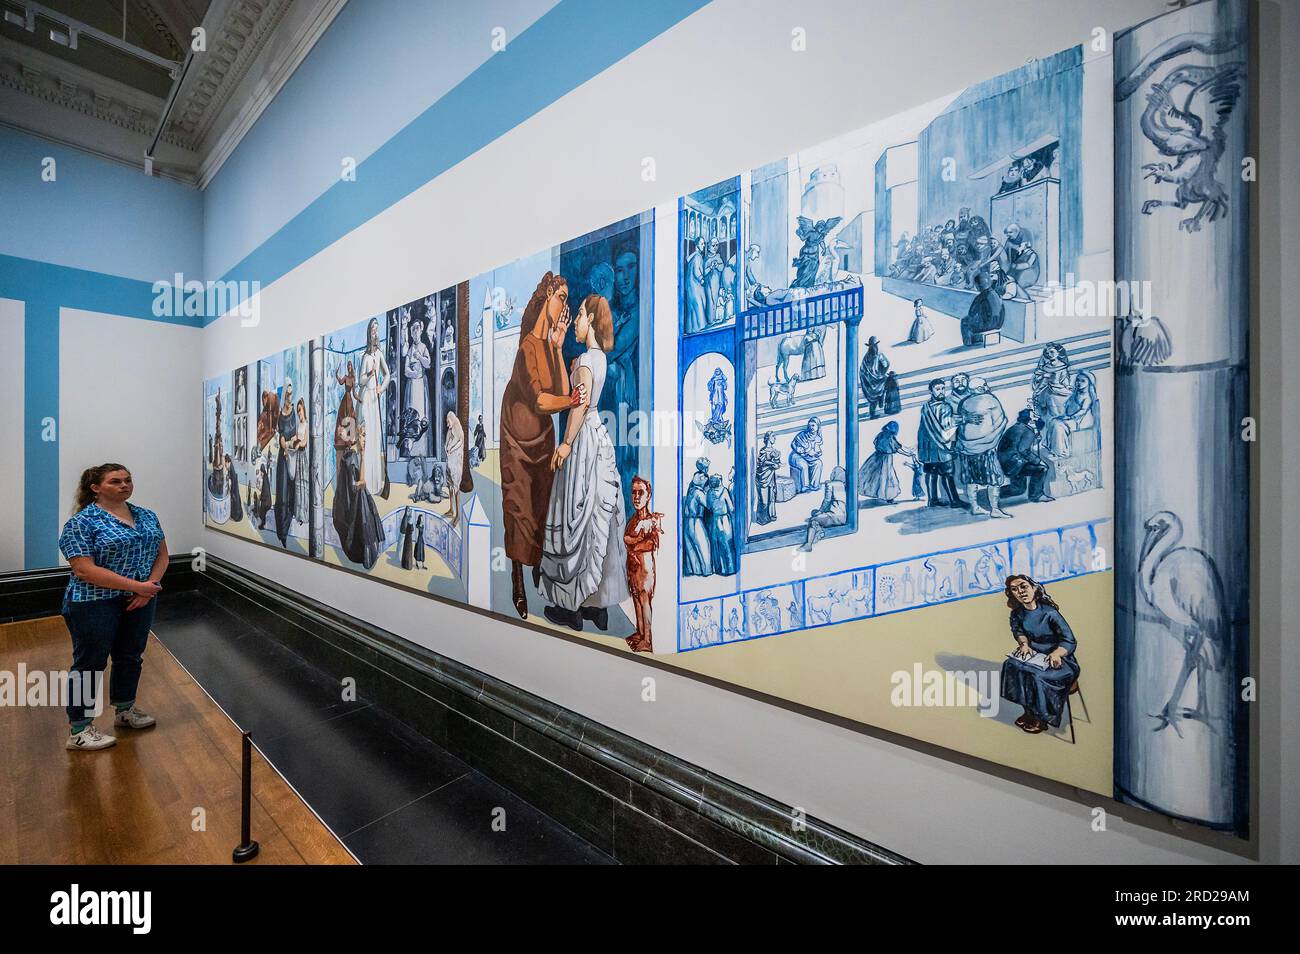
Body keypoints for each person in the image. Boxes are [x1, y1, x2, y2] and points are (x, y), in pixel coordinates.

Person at [58, 463, 168, 751]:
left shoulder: (146, 515)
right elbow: (84, 570)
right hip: (93, 602)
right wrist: (138, 588)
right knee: (89, 663)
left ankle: (125, 710)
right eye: (115, 481)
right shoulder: (82, 523)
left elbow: (162, 555)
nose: (124, 485)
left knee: (130, 655)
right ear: (95, 488)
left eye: (128, 480)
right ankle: (79, 729)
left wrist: (150, 587)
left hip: (140, 598)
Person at [538, 294, 628, 632]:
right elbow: (570, 387)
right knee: (593, 518)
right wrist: (558, 348)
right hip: (596, 436)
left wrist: (564, 444)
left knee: (574, 513)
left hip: (582, 438)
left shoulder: (587, 362)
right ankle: (595, 604)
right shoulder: (597, 358)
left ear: (590, 319)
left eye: (578, 315)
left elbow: (578, 404)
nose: (574, 320)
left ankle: (571, 607)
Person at [499, 272, 583, 619]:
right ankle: (518, 581)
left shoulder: (548, 345)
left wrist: (560, 348)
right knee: (519, 511)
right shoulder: (525, 350)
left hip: (543, 441)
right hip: (517, 441)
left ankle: (535, 568)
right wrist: (571, 401)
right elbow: (541, 401)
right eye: (561, 297)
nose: (565, 305)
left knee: (540, 509)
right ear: (546, 299)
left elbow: (561, 387)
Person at [999, 575, 1080, 734]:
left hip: (1060, 658)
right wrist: (1024, 644)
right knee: (1011, 666)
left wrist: (1057, 653)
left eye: (1023, 587)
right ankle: (1028, 711)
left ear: (1034, 588)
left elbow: (1069, 640)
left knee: (1036, 676)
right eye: (1014, 590)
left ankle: (1041, 718)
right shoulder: (1017, 613)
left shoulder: (1050, 613)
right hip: (1034, 655)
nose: (1020, 592)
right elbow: (1018, 631)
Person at [332, 417, 385, 569]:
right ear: (356, 436)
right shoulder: (352, 457)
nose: (365, 439)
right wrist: (362, 456)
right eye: (363, 435)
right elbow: (359, 484)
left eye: (366, 435)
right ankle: (364, 553)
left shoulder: (351, 454)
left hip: (353, 498)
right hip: (351, 503)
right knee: (363, 518)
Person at [955, 377, 1010, 517]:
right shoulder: (991, 400)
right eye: (985, 384)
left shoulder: (964, 402)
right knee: (994, 479)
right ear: (980, 388)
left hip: (967, 449)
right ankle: (995, 509)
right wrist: (993, 439)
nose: (987, 386)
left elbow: (961, 427)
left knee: (971, 479)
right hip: (987, 448)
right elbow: (1001, 421)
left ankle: (975, 507)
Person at [623, 476, 661, 654]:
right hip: (633, 568)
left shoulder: (650, 521)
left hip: (645, 569)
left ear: (648, 495)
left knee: (644, 600)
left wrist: (634, 543)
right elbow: (626, 538)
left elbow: (651, 543)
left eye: (641, 493)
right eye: (634, 493)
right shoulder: (633, 520)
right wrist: (631, 541)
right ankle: (640, 633)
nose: (636, 497)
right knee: (636, 599)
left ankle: (647, 639)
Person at [357, 317, 391, 499]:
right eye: (373, 331)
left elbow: (388, 374)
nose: (375, 334)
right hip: (367, 398)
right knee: (368, 439)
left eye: (377, 331)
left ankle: (377, 482)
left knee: (376, 438)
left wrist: (382, 387)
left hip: (375, 397)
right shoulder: (365, 357)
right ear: (369, 334)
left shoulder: (379, 354)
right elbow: (360, 380)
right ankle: (367, 481)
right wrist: (370, 374)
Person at [917, 379, 962, 507]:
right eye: (938, 389)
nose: (942, 391)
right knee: (947, 474)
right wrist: (952, 445)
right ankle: (954, 501)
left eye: (943, 388)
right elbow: (949, 428)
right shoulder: (945, 406)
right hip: (942, 448)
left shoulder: (925, 407)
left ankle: (932, 500)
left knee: (931, 473)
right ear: (931, 391)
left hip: (928, 449)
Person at [998, 409, 1053, 502]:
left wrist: (1035, 437)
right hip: (1016, 463)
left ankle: (995, 493)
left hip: (1009, 462)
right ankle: (1036, 496)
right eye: (1035, 416)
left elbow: (1019, 445)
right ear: (1030, 421)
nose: (1037, 416)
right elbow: (1023, 450)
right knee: (1042, 468)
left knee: (1018, 489)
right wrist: (1038, 461)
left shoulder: (1018, 427)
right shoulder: (1027, 431)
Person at [859, 421, 916, 503]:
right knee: (887, 477)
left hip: (876, 457)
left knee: (875, 476)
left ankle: (880, 494)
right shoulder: (890, 437)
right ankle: (888, 497)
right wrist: (907, 454)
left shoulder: (880, 434)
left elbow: (875, 443)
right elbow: (898, 449)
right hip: (886, 459)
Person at [273, 378, 298, 547]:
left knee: (290, 493)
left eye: (291, 392)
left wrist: (289, 446)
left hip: (293, 456)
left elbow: (296, 434)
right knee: (281, 494)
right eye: (287, 393)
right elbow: (281, 435)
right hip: (284, 457)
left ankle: (287, 527)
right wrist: (285, 446)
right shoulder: (281, 414)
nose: (289, 395)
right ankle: (281, 531)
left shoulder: (294, 412)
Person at [403, 317, 433, 457]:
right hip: (413, 385)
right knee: (412, 417)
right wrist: (412, 373)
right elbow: (405, 370)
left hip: (421, 385)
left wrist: (419, 357)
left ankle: (422, 450)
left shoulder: (423, 347)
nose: (415, 331)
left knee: (422, 415)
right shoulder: (410, 348)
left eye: (417, 328)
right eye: (413, 329)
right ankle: (411, 449)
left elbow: (428, 364)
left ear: (421, 330)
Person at [802, 465, 847, 551]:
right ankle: (819, 531)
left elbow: (827, 501)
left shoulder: (831, 484)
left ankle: (808, 544)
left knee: (813, 520)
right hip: (845, 517)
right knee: (815, 512)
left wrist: (820, 511)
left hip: (834, 516)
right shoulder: (846, 486)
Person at [681, 460, 713, 576]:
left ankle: (695, 571)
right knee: (703, 546)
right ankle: (706, 571)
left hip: (687, 521)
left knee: (691, 549)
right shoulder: (699, 493)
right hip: (696, 521)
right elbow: (709, 505)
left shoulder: (691, 490)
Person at [960, 272, 1005, 346]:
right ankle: (979, 338)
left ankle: (969, 343)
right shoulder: (997, 294)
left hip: (987, 326)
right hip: (999, 324)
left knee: (965, 321)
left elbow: (971, 313)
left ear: (978, 285)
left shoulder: (980, 297)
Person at [705, 474, 735, 575]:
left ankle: (719, 569)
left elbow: (708, 507)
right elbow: (731, 507)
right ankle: (729, 569)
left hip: (714, 519)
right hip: (724, 519)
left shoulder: (709, 492)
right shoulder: (725, 491)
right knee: (727, 544)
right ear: (720, 481)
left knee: (716, 544)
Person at [788, 417, 824, 493]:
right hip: (796, 456)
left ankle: (814, 485)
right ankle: (805, 486)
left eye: (813, 425)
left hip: (808, 457)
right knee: (804, 465)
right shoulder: (802, 435)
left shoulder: (818, 438)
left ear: (818, 426)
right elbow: (793, 445)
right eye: (810, 425)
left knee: (818, 463)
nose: (811, 428)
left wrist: (818, 453)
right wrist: (803, 450)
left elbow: (816, 449)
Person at [859, 336, 890, 418]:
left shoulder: (869, 356)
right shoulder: (873, 356)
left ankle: (880, 401)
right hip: (872, 381)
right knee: (875, 396)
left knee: (875, 394)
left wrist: (881, 373)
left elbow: (886, 364)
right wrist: (881, 373)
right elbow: (886, 364)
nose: (873, 347)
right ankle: (879, 401)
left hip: (873, 381)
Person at [754, 431, 780, 525]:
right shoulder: (763, 450)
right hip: (763, 476)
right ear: (768, 438)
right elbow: (761, 462)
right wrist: (772, 464)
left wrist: (776, 464)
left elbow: (777, 462)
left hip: (770, 476)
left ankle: (770, 515)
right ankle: (762, 518)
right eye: (773, 436)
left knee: (771, 497)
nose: (775, 438)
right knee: (763, 500)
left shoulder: (775, 451)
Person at [444, 411, 464, 522]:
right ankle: (452, 509)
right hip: (450, 462)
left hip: (456, 463)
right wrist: (446, 448)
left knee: (456, 487)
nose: (447, 424)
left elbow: (460, 442)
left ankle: (457, 516)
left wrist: (451, 449)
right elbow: (447, 443)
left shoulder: (458, 429)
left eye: (448, 422)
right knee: (450, 486)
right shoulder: (450, 430)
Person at [292, 398, 309, 526]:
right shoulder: (299, 425)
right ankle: (298, 514)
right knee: (297, 485)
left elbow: (305, 441)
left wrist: (299, 444)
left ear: (304, 410)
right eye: (297, 411)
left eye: (300, 410)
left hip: (303, 457)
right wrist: (293, 439)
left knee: (303, 485)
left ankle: (303, 515)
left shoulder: (306, 424)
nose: (298, 413)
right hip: (297, 456)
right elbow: (297, 438)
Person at [225, 454, 244, 522]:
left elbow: (234, 482)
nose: (225, 466)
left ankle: (235, 515)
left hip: (234, 490)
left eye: (225, 464)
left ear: (228, 462)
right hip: (234, 490)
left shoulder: (231, 470)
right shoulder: (230, 469)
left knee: (235, 503)